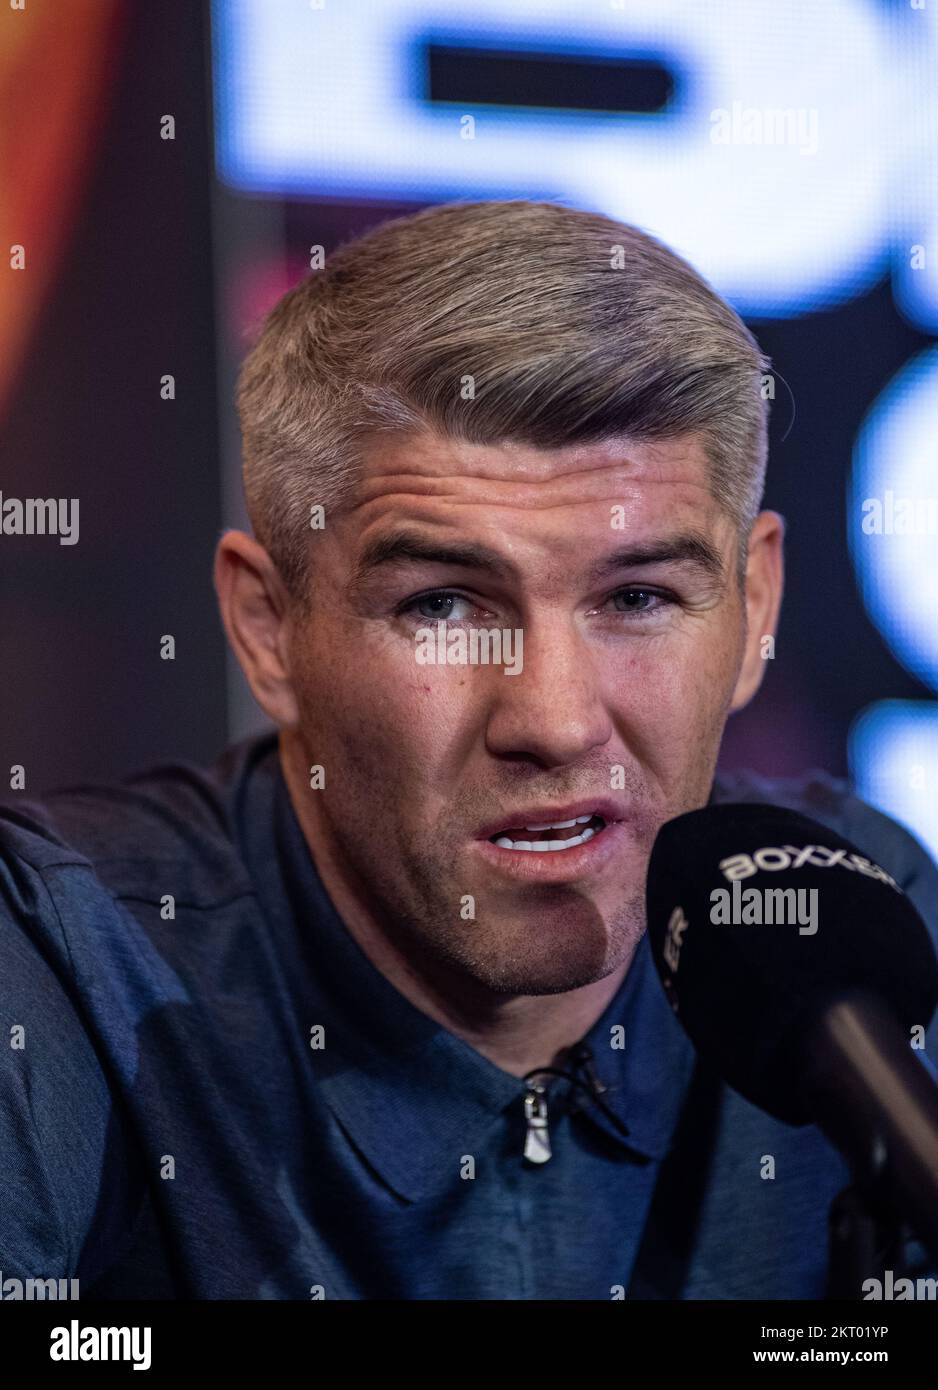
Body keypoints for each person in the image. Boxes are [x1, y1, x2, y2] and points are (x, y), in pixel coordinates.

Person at [1, 200, 936, 1300]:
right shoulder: (63, 964)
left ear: (754, 603)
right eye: (442, 604)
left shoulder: (851, 921)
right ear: (267, 627)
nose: (551, 718)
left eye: (636, 596)